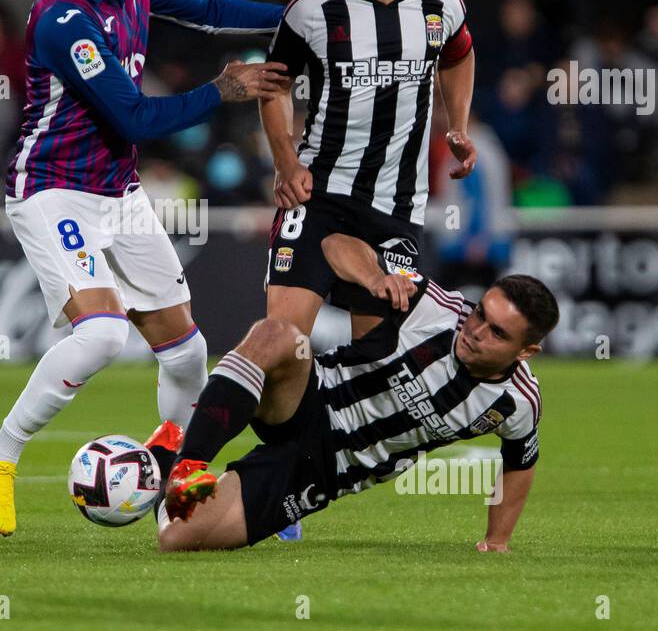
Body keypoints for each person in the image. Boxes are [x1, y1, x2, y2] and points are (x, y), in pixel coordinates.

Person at [0, 0, 288, 537]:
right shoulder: (63, 17)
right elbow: (137, 120)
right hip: (53, 187)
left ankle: (176, 468)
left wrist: (298, 18)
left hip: (118, 192)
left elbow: (206, 8)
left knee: (186, 355)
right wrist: (222, 89)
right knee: (106, 334)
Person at [252, 0, 478, 537]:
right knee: (281, 342)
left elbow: (460, 55)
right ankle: (273, 478)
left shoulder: (440, 5)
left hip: (396, 214)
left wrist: (456, 124)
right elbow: (272, 85)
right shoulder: (312, 11)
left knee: (378, 361)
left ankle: (304, 465)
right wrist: (286, 161)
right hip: (318, 201)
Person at [157, 233, 555, 552]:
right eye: (481, 313)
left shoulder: (518, 402)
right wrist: (373, 277)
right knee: (277, 334)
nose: (477, 330)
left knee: (177, 536)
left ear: (526, 352)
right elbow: (333, 244)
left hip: (328, 468)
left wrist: (497, 540)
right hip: (310, 395)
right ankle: (187, 466)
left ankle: (161, 456)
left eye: (498, 333)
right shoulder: (429, 304)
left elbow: (519, 461)